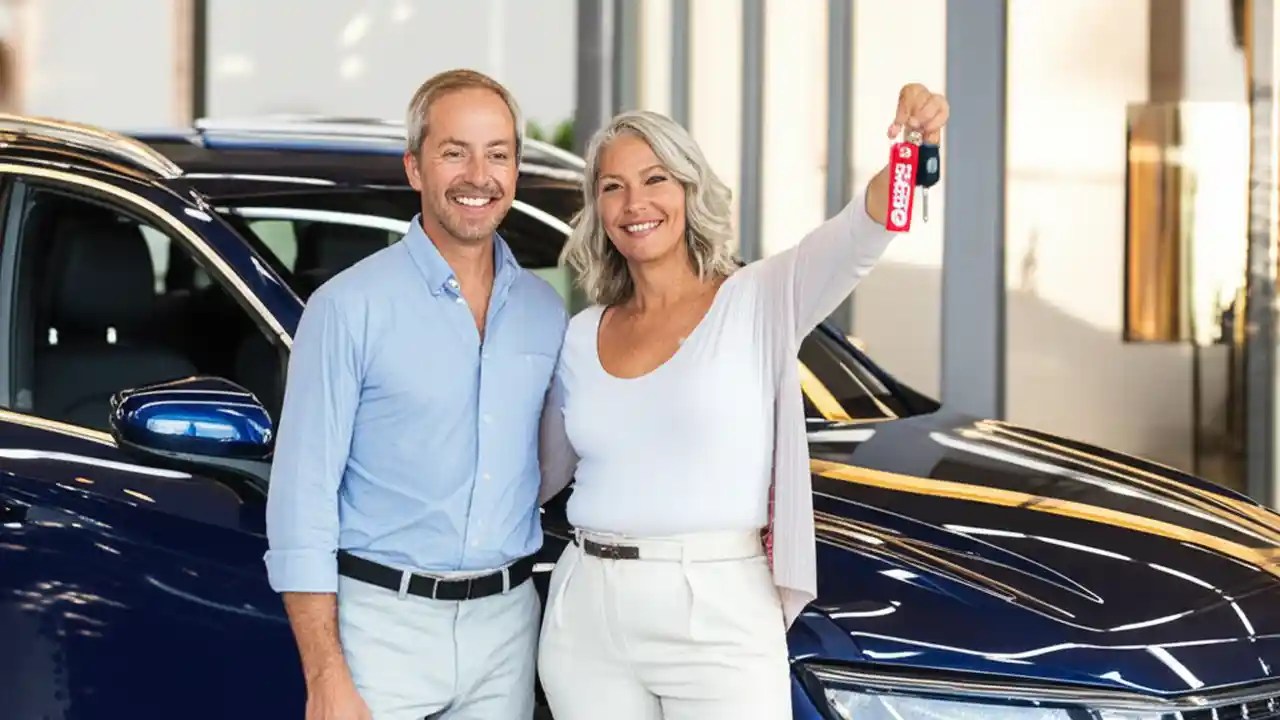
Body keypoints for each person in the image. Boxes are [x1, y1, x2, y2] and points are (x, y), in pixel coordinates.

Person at [535, 83, 949, 718]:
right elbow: (530, 476)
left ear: (690, 190)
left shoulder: (757, 298)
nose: (634, 202)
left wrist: (911, 155)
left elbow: (863, 232)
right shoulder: (581, 333)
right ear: (596, 207)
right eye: (612, 187)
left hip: (716, 609)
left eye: (654, 179)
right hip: (586, 609)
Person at [264, 68, 567, 720]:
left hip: (507, 625)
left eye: (498, 154)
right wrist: (325, 676)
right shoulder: (347, 308)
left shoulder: (546, 313)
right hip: (381, 627)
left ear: (515, 170)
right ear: (415, 168)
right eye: (454, 151)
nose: (478, 175)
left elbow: (547, 464)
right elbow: (302, 501)